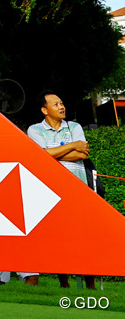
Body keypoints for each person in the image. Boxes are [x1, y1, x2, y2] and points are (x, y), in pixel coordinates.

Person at [27, 90, 95, 289]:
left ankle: (89, 284)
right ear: (44, 110)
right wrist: (72, 145)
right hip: (51, 191)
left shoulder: (74, 126)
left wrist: (51, 152)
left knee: (83, 239)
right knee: (60, 240)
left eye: (62, 103)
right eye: (56, 104)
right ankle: (64, 283)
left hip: (79, 189)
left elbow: (82, 155)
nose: (61, 107)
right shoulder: (34, 130)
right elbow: (41, 156)